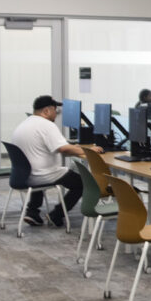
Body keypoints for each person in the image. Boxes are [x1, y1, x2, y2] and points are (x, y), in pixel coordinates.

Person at [11, 95, 99, 227]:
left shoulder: (25, 123)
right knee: (83, 184)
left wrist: (75, 147)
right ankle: (56, 215)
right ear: (46, 111)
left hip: (26, 174)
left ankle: (32, 212)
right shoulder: (46, 125)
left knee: (47, 170)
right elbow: (63, 149)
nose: (56, 114)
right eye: (55, 111)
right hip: (42, 174)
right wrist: (90, 150)